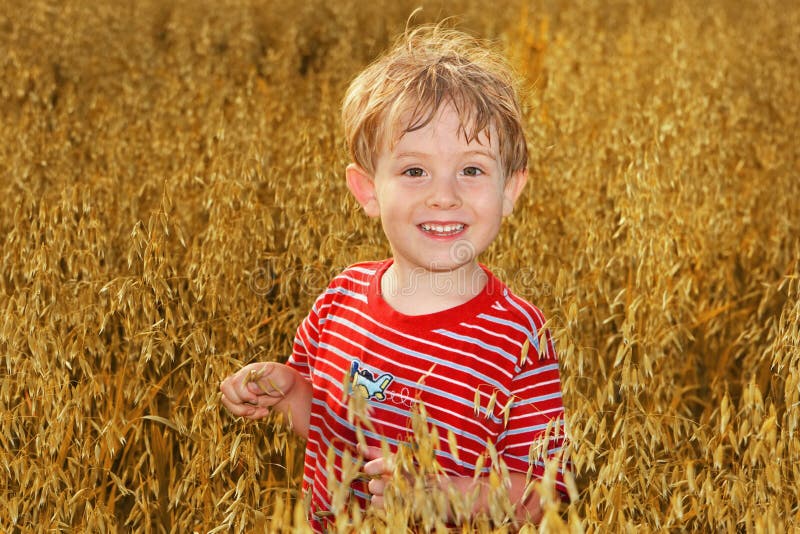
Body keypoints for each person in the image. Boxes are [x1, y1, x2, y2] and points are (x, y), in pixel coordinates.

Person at [220, 24, 569, 531]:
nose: (443, 196)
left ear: (510, 190)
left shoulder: (517, 336)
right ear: (366, 190)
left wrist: (443, 493)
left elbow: (543, 492)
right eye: (413, 172)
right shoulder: (339, 300)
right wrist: (290, 390)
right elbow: (327, 425)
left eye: (471, 171)